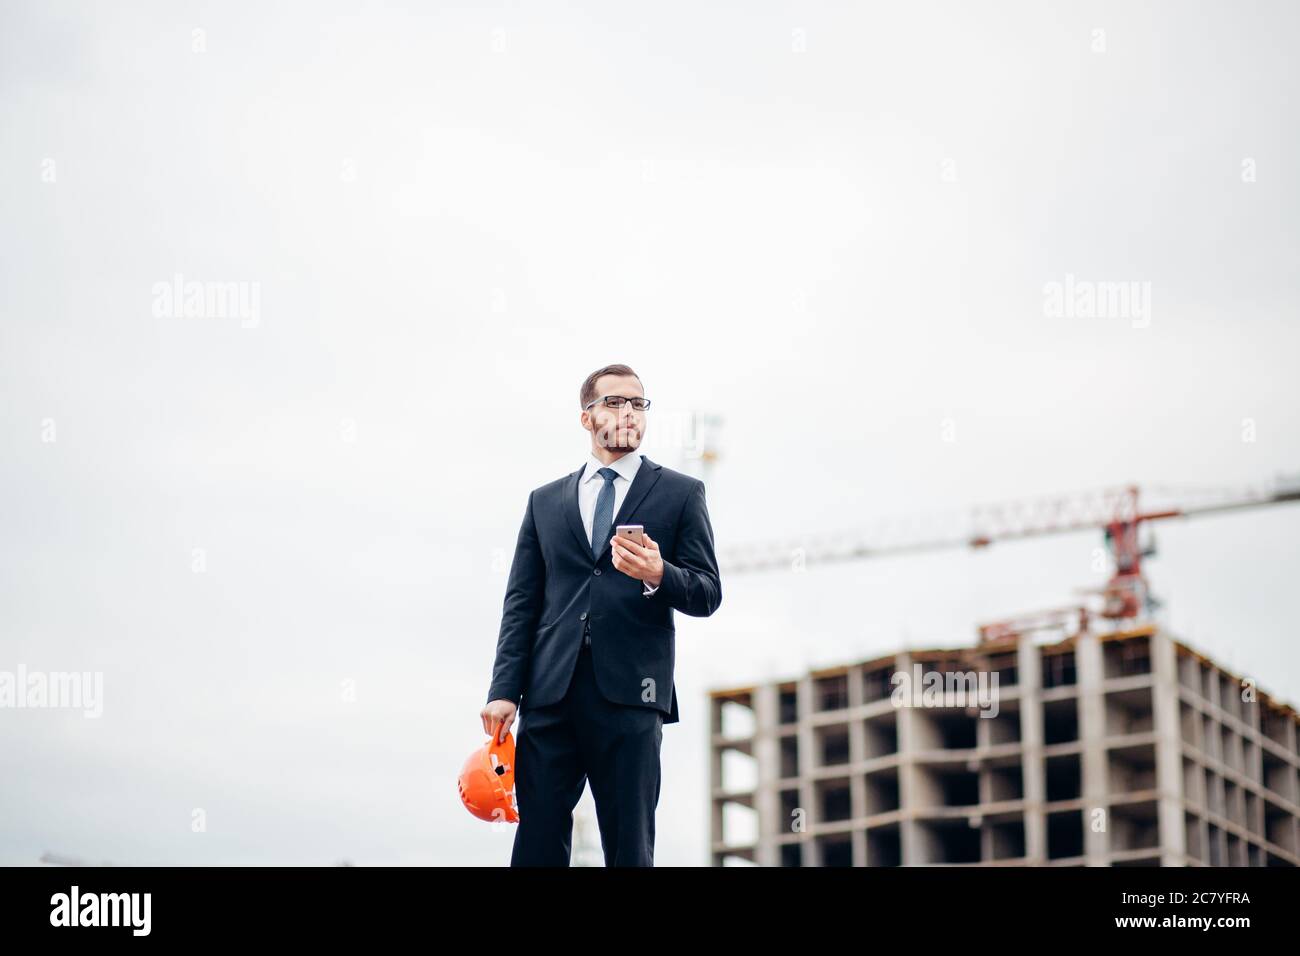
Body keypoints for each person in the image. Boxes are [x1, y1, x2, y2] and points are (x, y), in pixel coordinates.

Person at [481, 363, 722, 866]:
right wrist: (504, 691)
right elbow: (521, 602)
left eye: (638, 403)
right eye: (614, 402)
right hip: (549, 694)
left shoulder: (680, 493)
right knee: (537, 844)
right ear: (587, 418)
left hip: (633, 697)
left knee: (629, 846)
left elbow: (707, 592)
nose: (628, 412)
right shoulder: (544, 501)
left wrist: (659, 572)